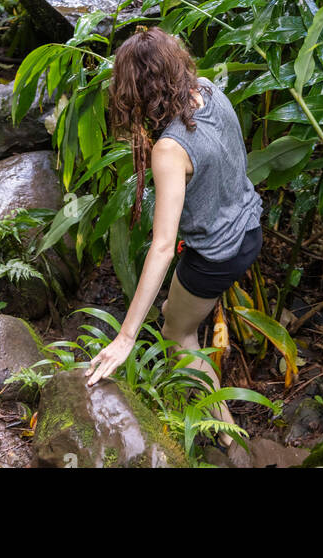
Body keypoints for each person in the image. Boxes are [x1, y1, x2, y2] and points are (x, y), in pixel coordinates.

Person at [85, 27, 262, 438]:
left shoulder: (169, 149)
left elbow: (163, 247)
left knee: (177, 333)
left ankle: (228, 437)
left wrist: (125, 337)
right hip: (250, 229)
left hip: (215, 256)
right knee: (174, 312)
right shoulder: (209, 90)